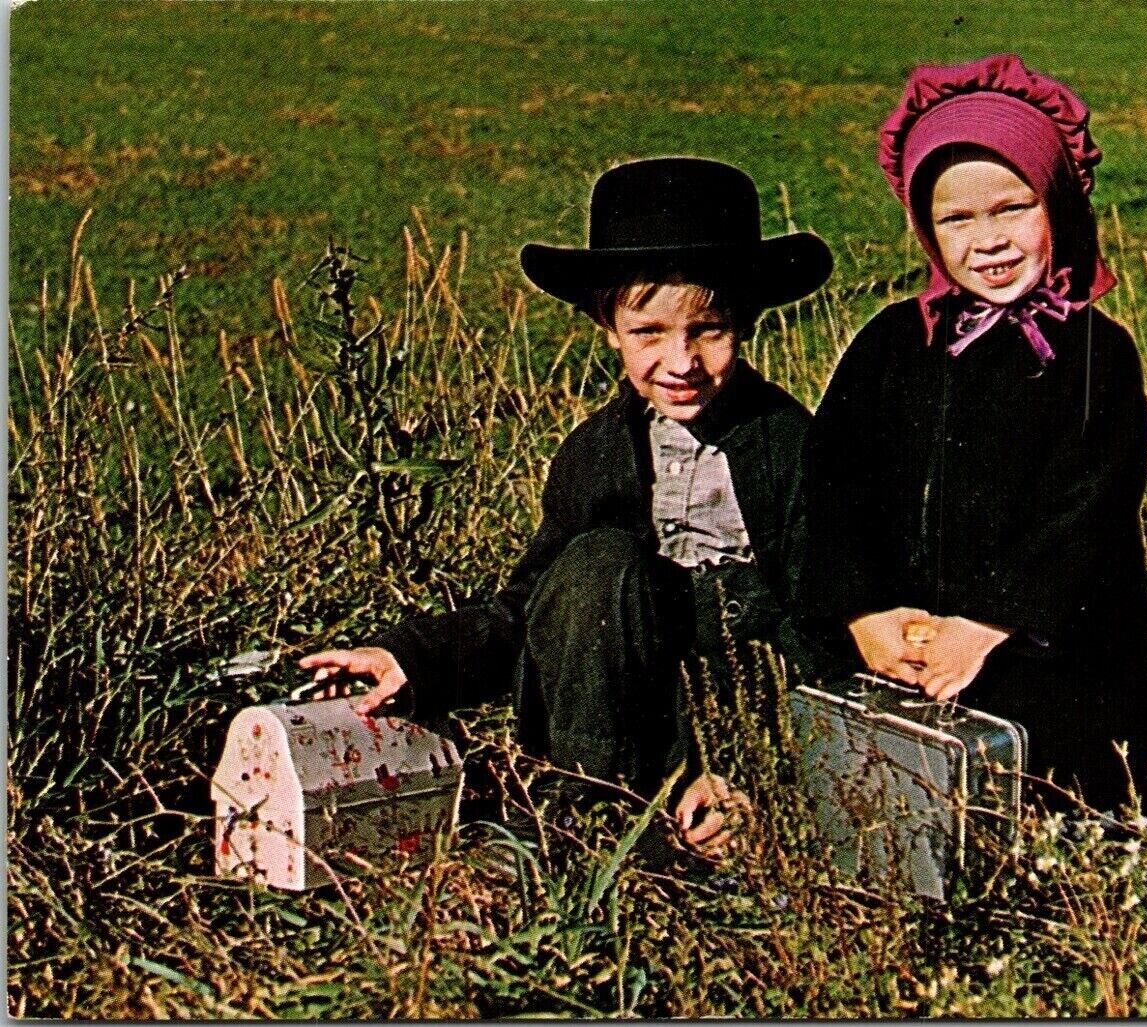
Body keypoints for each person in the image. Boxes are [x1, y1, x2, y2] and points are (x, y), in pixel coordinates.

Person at [301, 157, 833, 853]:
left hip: (738, 714)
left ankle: (703, 819)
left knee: (746, 605)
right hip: (616, 713)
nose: (681, 361)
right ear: (607, 326)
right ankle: (582, 813)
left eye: (708, 329)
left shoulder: (791, 446)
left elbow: (824, 628)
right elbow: (528, 605)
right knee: (596, 564)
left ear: (747, 322)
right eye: (648, 332)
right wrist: (414, 657)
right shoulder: (597, 453)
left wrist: (742, 766)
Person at [798, 55, 1147, 813]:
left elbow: (1087, 510)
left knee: (1038, 749)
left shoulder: (1095, 354)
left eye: (1011, 208)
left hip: (1036, 635)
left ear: (1056, 201)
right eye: (956, 219)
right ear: (924, 229)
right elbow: (832, 481)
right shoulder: (893, 342)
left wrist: (990, 621)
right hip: (902, 634)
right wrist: (866, 611)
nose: (986, 240)